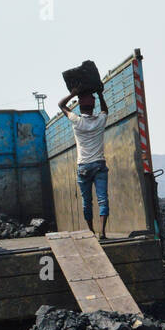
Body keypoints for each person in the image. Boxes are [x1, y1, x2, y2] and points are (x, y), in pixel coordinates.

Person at [58, 88, 110, 238]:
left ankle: (91, 231)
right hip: (99, 165)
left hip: (84, 167)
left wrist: (73, 93)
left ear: (80, 106)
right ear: (94, 107)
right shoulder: (100, 120)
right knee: (102, 199)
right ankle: (103, 232)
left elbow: (61, 105)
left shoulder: (76, 120)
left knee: (87, 201)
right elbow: (105, 110)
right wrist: (100, 95)